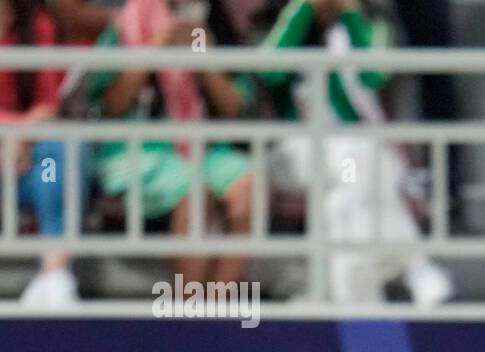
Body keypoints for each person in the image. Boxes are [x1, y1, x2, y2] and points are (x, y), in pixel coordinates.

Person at [254, 0, 452, 307]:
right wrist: (304, 10)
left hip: (354, 155)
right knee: (357, 158)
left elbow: (374, 75)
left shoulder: (374, 23)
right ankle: (415, 265)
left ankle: (342, 295)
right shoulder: (277, 19)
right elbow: (269, 71)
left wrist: (349, 16)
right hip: (293, 152)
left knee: (341, 201)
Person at [86, 0, 255, 287]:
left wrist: (205, 61)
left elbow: (234, 107)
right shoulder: (126, 24)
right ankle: (189, 319)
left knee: (250, 187)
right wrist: (153, 51)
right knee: (194, 193)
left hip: (205, 146)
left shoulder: (217, 22)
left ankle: (216, 313)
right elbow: (110, 106)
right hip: (136, 150)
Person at [1, 0, 79, 304]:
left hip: (26, 159)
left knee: (56, 158)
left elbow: (49, 105)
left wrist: (20, 137)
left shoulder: (38, 24)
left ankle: (54, 273)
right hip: (10, 141)